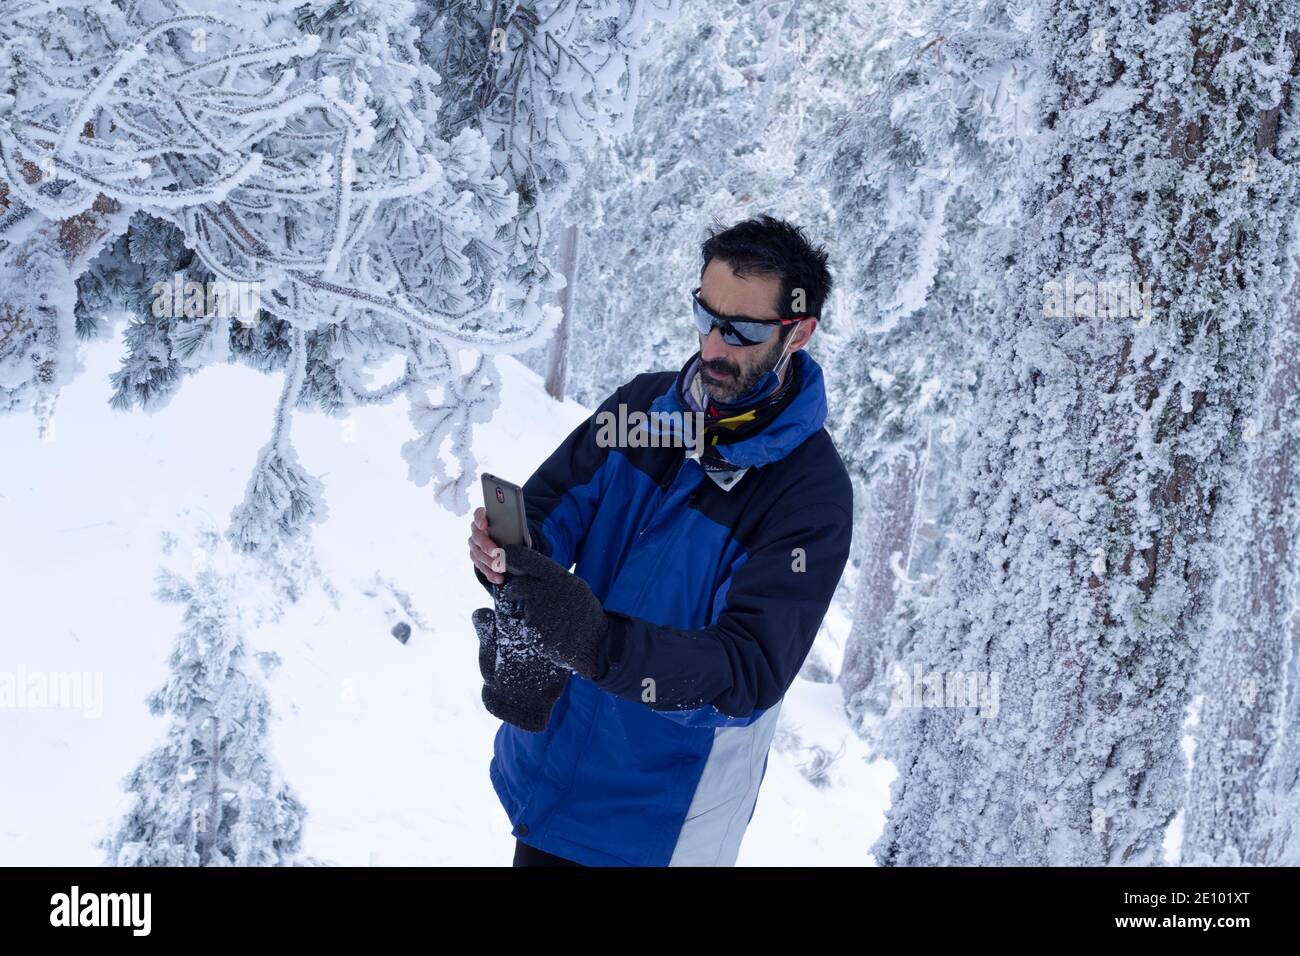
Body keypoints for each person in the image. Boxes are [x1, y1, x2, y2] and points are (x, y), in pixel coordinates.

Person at [468, 215, 853, 867]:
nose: (713, 345)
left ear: (798, 332)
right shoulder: (645, 410)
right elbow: (550, 511)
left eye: (742, 330)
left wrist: (599, 645)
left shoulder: (809, 497)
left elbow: (746, 671)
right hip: (552, 784)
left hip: (659, 830)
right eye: (706, 316)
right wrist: (512, 562)